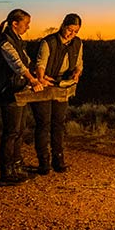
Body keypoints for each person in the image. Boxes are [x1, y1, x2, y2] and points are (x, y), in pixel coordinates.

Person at [0, 9, 47, 184]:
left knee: (19, 130)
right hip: (9, 91)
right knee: (11, 132)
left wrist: (41, 77)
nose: (28, 27)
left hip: (19, 90)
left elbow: (26, 61)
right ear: (15, 24)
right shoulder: (4, 42)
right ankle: (6, 171)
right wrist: (32, 80)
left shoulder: (17, 40)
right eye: (26, 24)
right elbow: (17, 64)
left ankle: (17, 167)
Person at [29, 13, 83, 175]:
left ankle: (58, 159)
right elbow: (40, 64)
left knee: (58, 123)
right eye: (69, 29)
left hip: (63, 85)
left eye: (75, 31)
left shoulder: (78, 43)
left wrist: (76, 74)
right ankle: (43, 161)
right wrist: (40, 78)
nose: (71, 34)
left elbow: (79, 63)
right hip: (46, 83)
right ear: (63, 26)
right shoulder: (49, 42)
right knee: (43, 123)